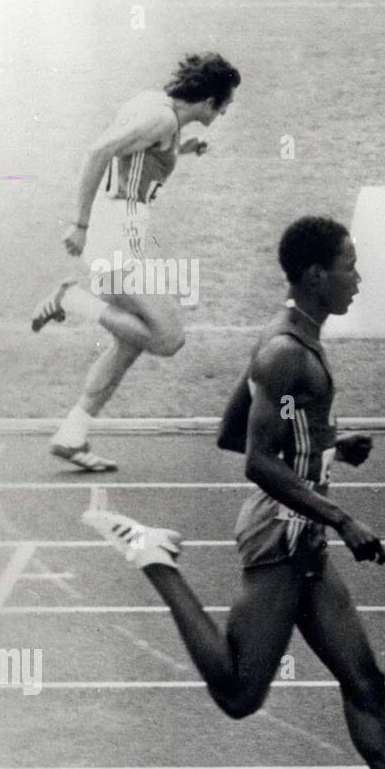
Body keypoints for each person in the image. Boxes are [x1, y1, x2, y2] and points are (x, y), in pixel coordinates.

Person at [81, 216, 385, 769]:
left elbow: (229, 430)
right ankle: (157, 560)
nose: (357, 279)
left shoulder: (292, 343)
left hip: (304, 536)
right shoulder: (283, 353)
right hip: (282, 534)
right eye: (349, 266)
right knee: (241, 693)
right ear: (314, 276)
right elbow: (253, 460)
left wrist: (334, 445)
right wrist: (343, 516)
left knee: (366, 682)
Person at [30, 53, 242, 472]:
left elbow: (131, 153)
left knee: (130, 343)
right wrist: (80, 223)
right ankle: (71, 299)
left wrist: (182, 149)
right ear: (209, 101)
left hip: (123, 229)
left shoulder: (153, 107)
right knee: (167, 338)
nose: (224, 112)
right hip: (116, 231)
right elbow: (99, 152)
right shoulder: (162, 120)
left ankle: (73, 433)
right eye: (224, 105)